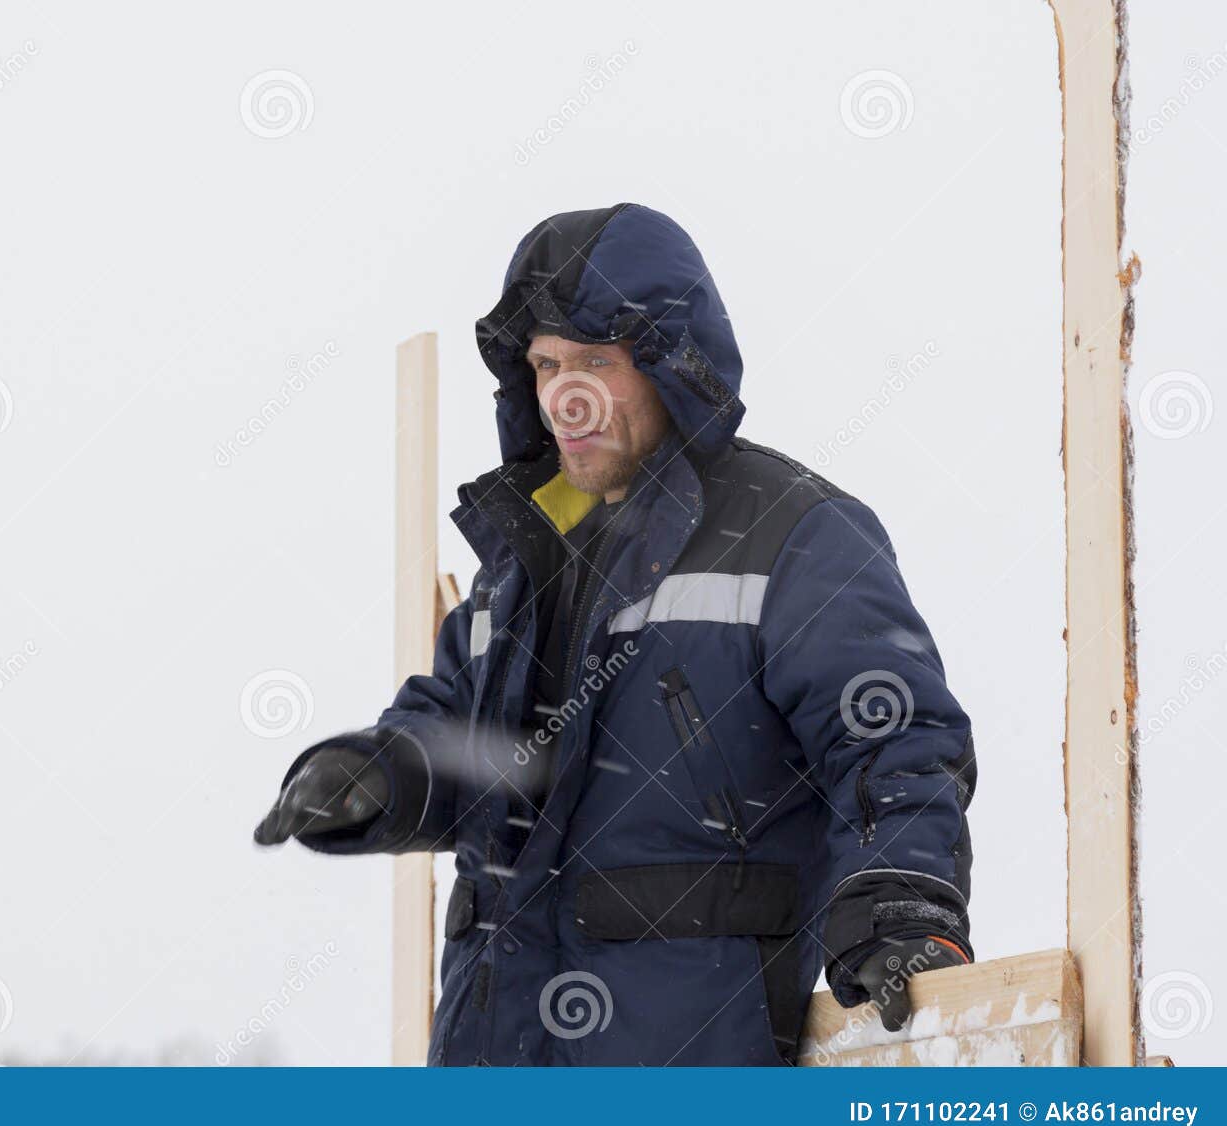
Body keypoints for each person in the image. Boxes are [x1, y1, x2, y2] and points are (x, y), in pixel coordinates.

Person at [254, 203, 977, 1066]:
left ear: (675, 367)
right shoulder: (519, 560)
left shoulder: (795, 534)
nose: (567, 395)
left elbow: (894, 739)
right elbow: (460, 740)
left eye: (596, 360)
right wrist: (377, 772)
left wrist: (900, 904)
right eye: (546, 364)